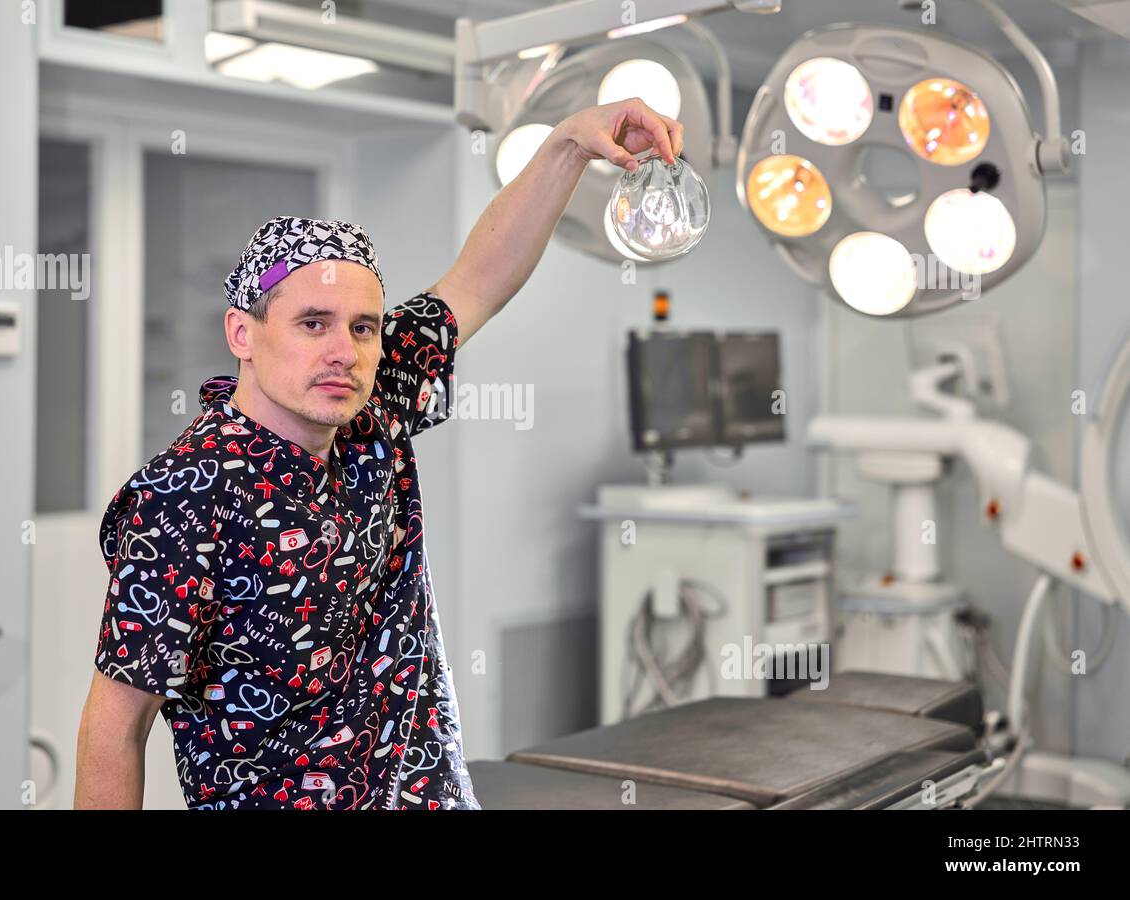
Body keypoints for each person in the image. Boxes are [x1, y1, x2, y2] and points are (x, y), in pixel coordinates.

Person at [74, 98, 685, 809]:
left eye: (364, 327)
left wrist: (568, 147)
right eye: (312, 324)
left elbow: (479, 279)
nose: (345, 351)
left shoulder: (370, 412)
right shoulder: (185, 497)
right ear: (243, 333)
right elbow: (114, 728)